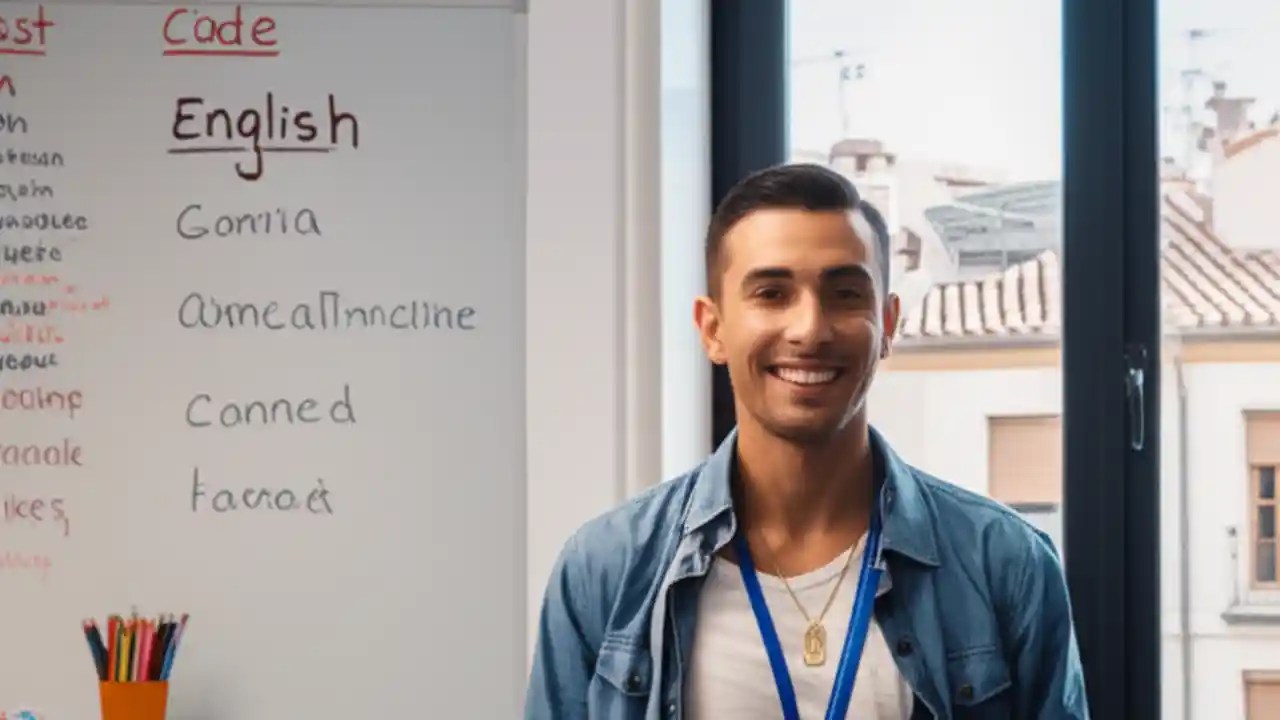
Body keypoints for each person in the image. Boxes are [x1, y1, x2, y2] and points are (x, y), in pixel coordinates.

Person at [523, 163, 1089, 719]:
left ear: (888, 325)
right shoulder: (607, 569)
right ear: (713, 329)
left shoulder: (1004, 563)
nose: (810, 329)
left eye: (845, 294)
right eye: (772, 293)